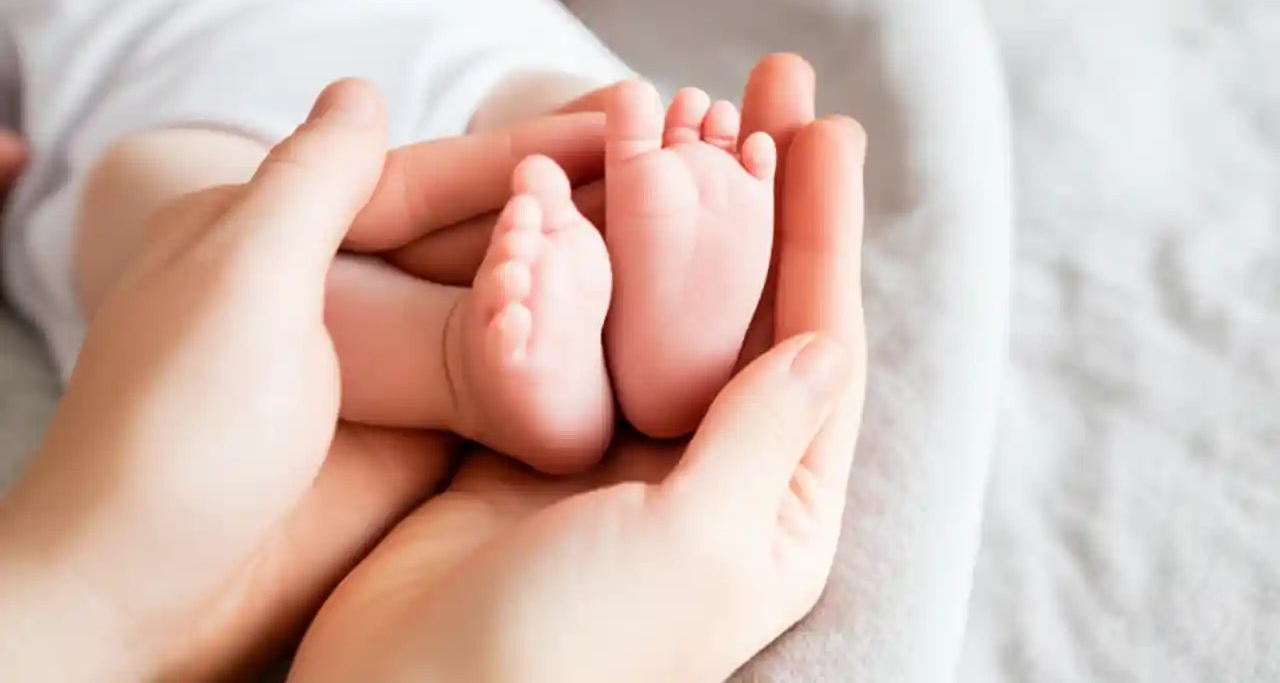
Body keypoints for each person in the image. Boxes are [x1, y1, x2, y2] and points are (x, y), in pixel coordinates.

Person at [0, 54, 869, 681]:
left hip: (360, 81)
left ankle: (534, 331)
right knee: (200, 221)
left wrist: (82, 601)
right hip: (380, 81)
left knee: (579, 121)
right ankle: (555, 329)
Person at [1, 0, 776, 475]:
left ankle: (660, 287)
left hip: (403, 19)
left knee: (558, 113)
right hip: (177, 101)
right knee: (182, 230)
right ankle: (460, 355)